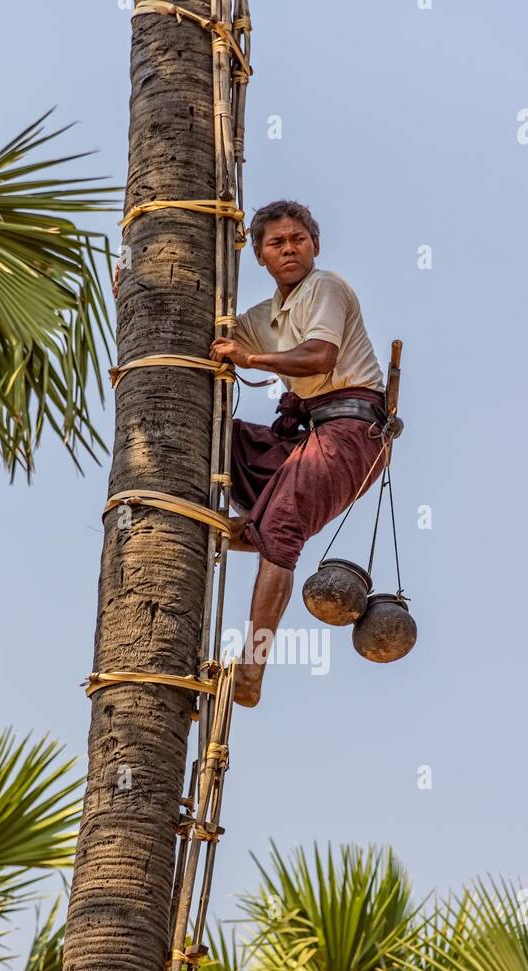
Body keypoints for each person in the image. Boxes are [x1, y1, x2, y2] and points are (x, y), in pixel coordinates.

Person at [209, 199, 389, 707]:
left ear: (315, 245)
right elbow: (208, 338)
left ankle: (251, 671)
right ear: (260, 257)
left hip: (352, 433)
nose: (289, 249)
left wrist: (248, 358)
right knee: (224, 439)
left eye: (298, 240)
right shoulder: (263, 317)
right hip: (308, 434)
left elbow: (320, 356)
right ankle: (236, 531)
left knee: (282, 532)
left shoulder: (325, 287)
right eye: (276, 243)